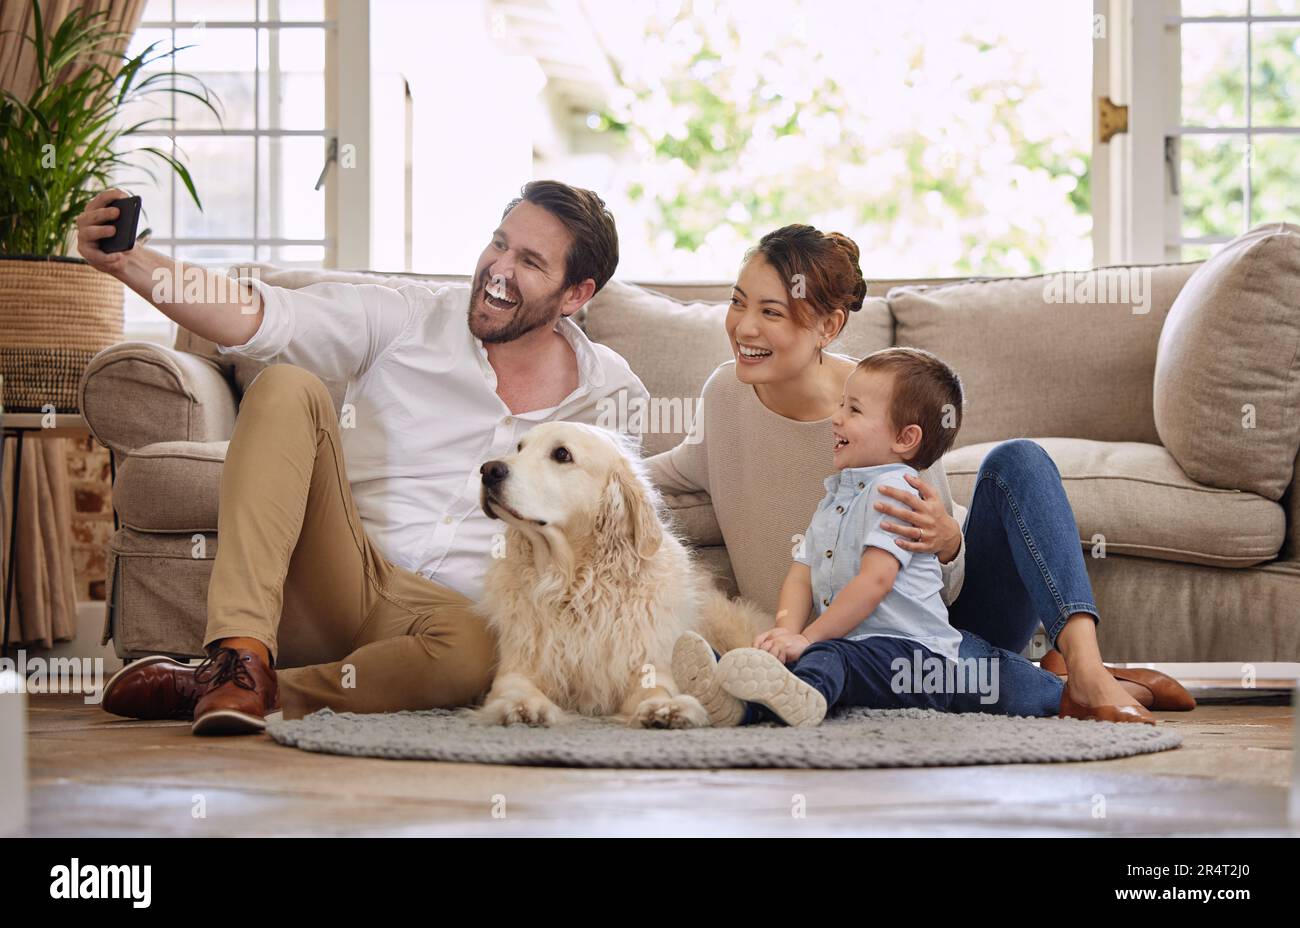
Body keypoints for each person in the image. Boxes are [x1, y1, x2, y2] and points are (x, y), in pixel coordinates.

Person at [80, 180, 648, 735]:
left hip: (449, 622)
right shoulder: (405, 318)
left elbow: (622, 526)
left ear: (575, 294)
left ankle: (249, 691)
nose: (498, 269)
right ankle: (241, 655)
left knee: (480, 654)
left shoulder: (611, 397)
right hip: (339, 573)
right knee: (283, 387)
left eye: (530, 261)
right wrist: (128, 261)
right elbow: (257, 317)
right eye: (499, 243)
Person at [647, 225, 1192, 724]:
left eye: (771, 312)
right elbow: (667, 474)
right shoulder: (725, 393)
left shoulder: (882, 409)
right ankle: (1058, 679)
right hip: (824, 650)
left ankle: (1086, 669)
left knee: (1019, 460)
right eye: (738, 302)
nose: (743, 326)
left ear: (828, 326)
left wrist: (951, 542)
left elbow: (934, 581)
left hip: (929, 634)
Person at [674, 348, 1082, 726]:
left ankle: (799, 699)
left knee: (831, 657)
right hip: (868, 650)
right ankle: (732, 696)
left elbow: (875, 582)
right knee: (817, 656)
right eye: (840, 405)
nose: (837, 418)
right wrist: (786, 630)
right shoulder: (834, 499)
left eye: (853, 410)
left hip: (916, 654)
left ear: (905, 438)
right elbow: (801, 572)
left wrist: (808, 637)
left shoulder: (897, 492)